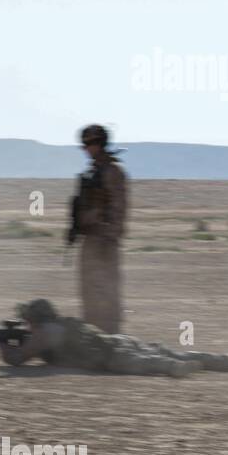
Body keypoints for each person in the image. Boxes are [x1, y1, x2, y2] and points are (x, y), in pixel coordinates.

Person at [0, 299, 228, 377]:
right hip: (119, 341)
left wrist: (1, 343)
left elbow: (17, 359)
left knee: (155, 362)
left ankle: (176, 369)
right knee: (181, 352)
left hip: (112, 355)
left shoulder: (45, 333)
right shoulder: (62, 325)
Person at [70, 124, 127, 332]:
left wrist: (109, 237)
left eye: (89, 144)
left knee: (107, 289)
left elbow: (119, 209)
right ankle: (93, 334)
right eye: (84, 145)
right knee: (89, 289)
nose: (86, 149)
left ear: (99, 144)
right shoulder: (93, 172)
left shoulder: (112, 171)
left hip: (104, 241)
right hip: (90, 239)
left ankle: (112, 336)